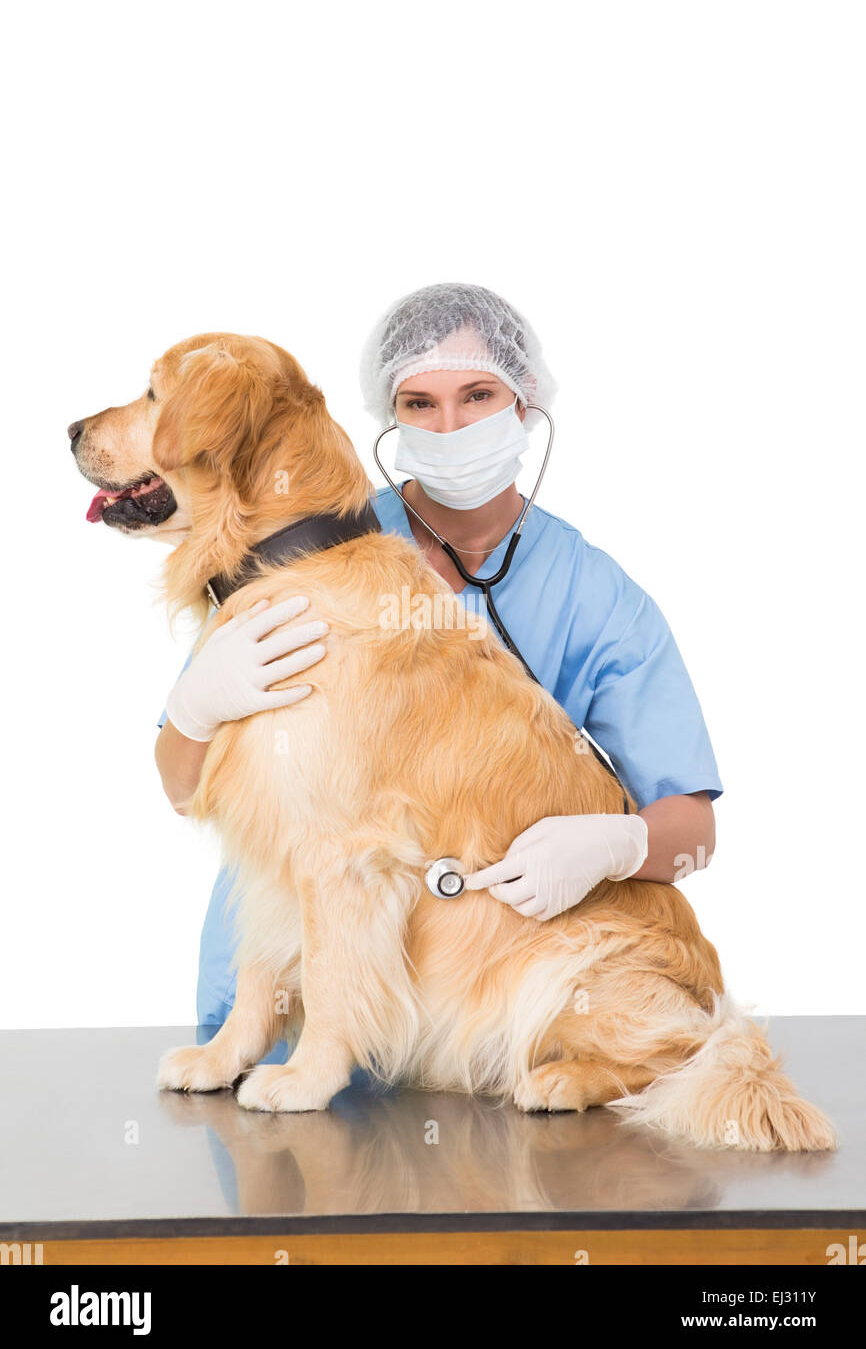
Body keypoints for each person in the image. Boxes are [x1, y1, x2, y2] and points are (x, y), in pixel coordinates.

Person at [155, 283, 722, 1066]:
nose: (449, 425)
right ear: (389, 416)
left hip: (476, 1020)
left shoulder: (596, 594)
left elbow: (692, 834)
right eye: (418, 403)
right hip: (276, 1020)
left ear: (524, 403)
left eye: (478, 394)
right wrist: (195, 709)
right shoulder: (307, 544)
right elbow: (184, 792)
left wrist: (614, 845)